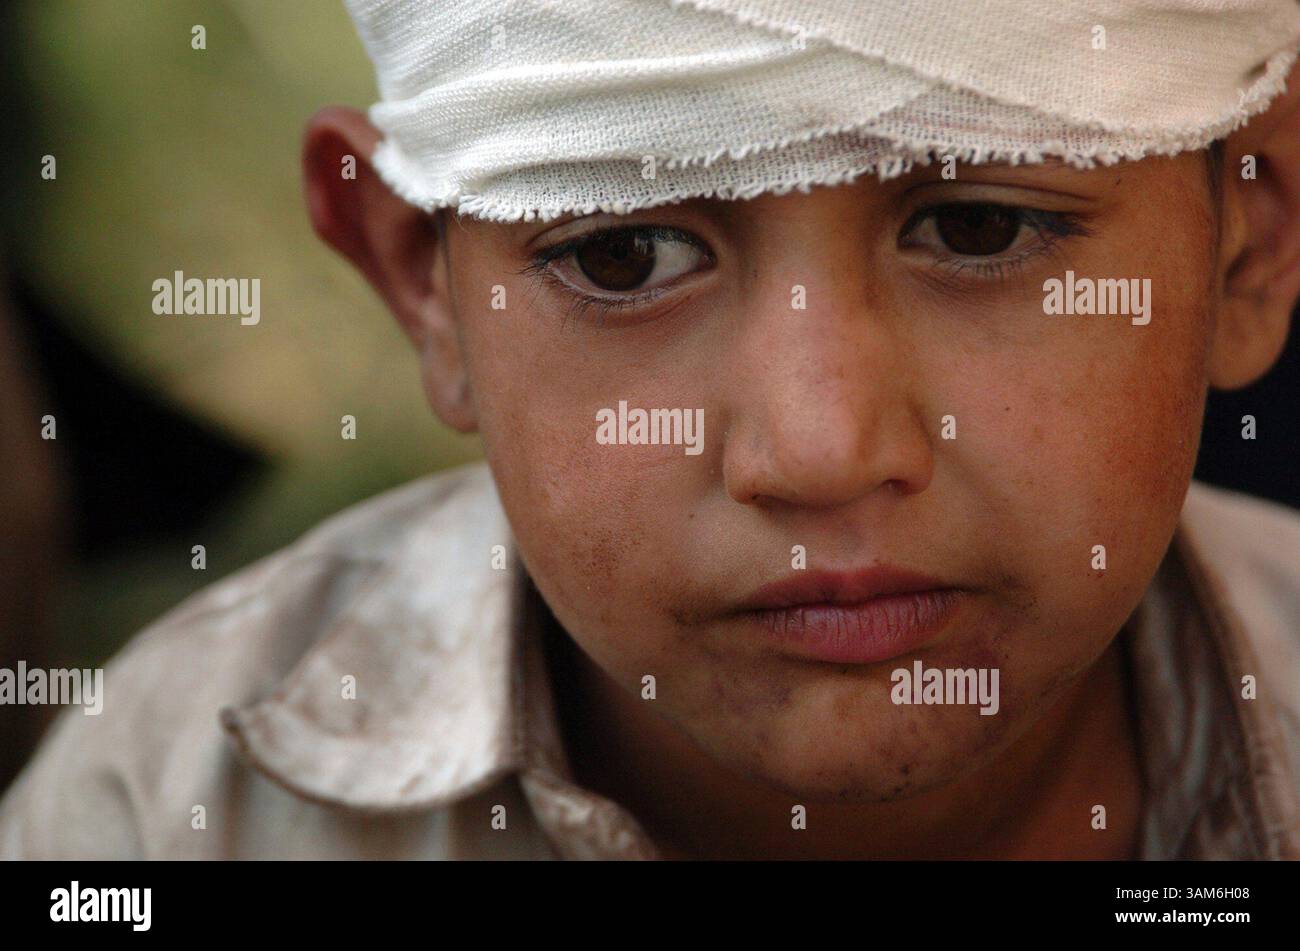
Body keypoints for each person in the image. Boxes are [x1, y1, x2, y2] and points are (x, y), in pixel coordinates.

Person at [4, 0, 1300, 860]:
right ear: (426, 293)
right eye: (624, 256)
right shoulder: (167, 807)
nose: (820, 449)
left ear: (1251, 241)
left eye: (978, 228)